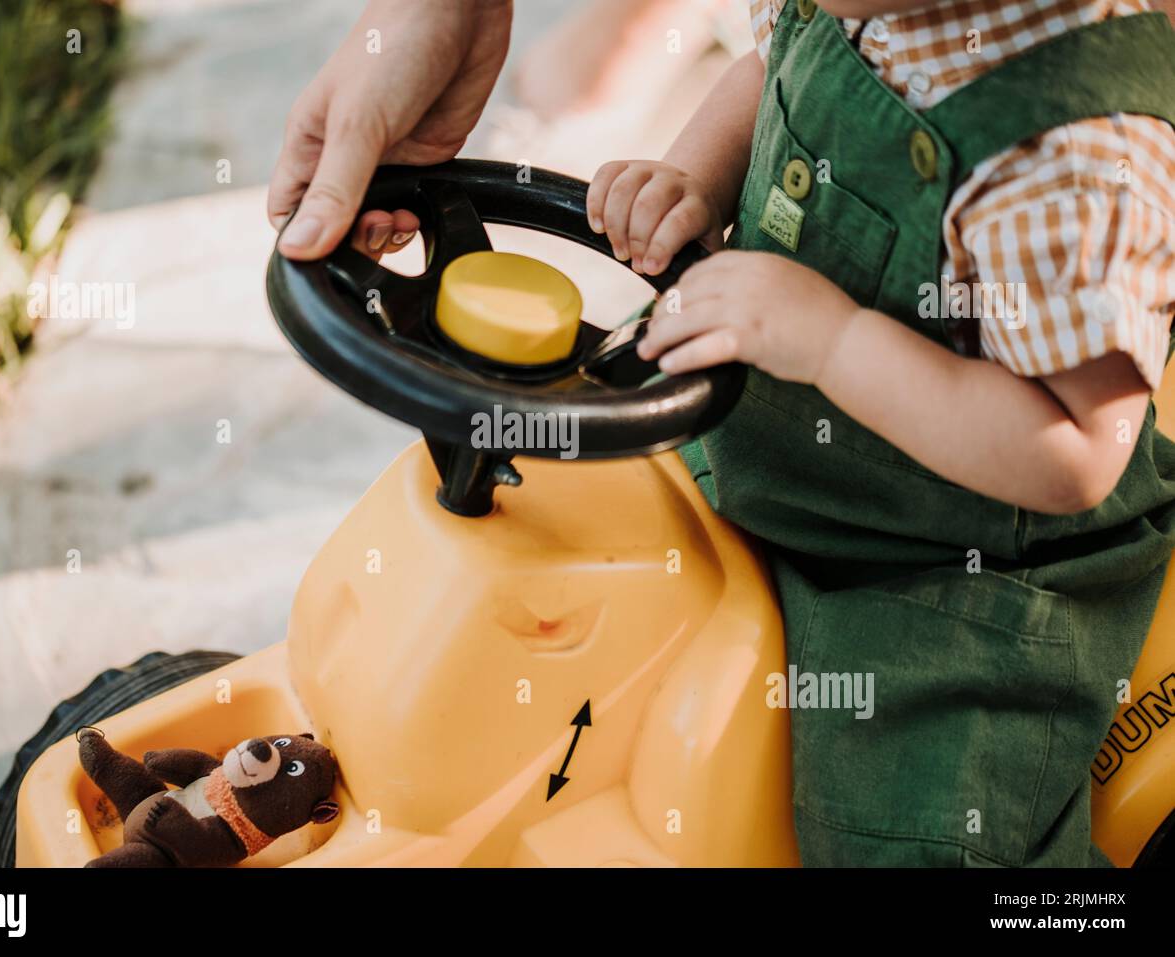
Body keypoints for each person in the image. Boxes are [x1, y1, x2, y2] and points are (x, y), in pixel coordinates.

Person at [271, 0, 1175, 866]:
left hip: (953, 564)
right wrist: (690, 178)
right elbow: (777, 65)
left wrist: (834, 339)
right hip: (753, 434)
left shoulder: (1076, 148)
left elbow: (1074, 450)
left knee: (916, 840)